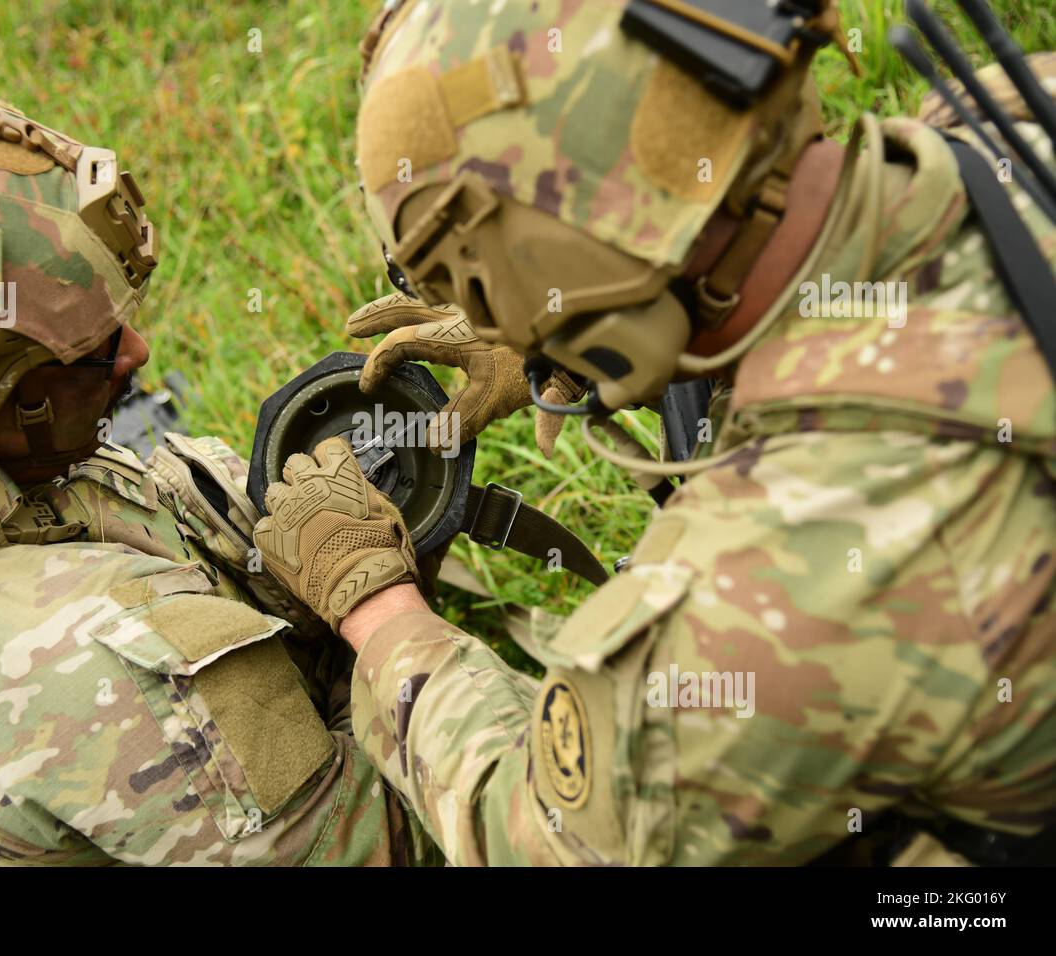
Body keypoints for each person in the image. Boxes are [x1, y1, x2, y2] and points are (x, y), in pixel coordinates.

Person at [252, 1, 1056, 865]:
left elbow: (539, 836)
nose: (483, 309)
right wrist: (577, 326)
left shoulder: (762, 609)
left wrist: (374, 605)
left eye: (470, 276)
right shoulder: (1008, 119)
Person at [0, 91, 437, 866]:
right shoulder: (97, 677)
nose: (137, 354)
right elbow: (392, 848)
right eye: (88, 352)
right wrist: (383, 615)